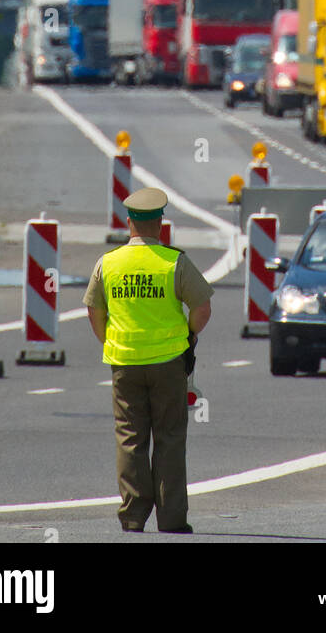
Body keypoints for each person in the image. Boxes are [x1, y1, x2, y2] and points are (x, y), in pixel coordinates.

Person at [83, 187, 213, 534]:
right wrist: (188, 336)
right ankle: (171, 518)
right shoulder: (175, 262)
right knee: (169, 437)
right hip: (169, 363)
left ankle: (132, 516)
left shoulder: (108, 263)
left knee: (130, 437)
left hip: (124, 363)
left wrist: (110, 340)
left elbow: (94, 309)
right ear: (160, 223)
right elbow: (202, 307)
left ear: (129, 224)